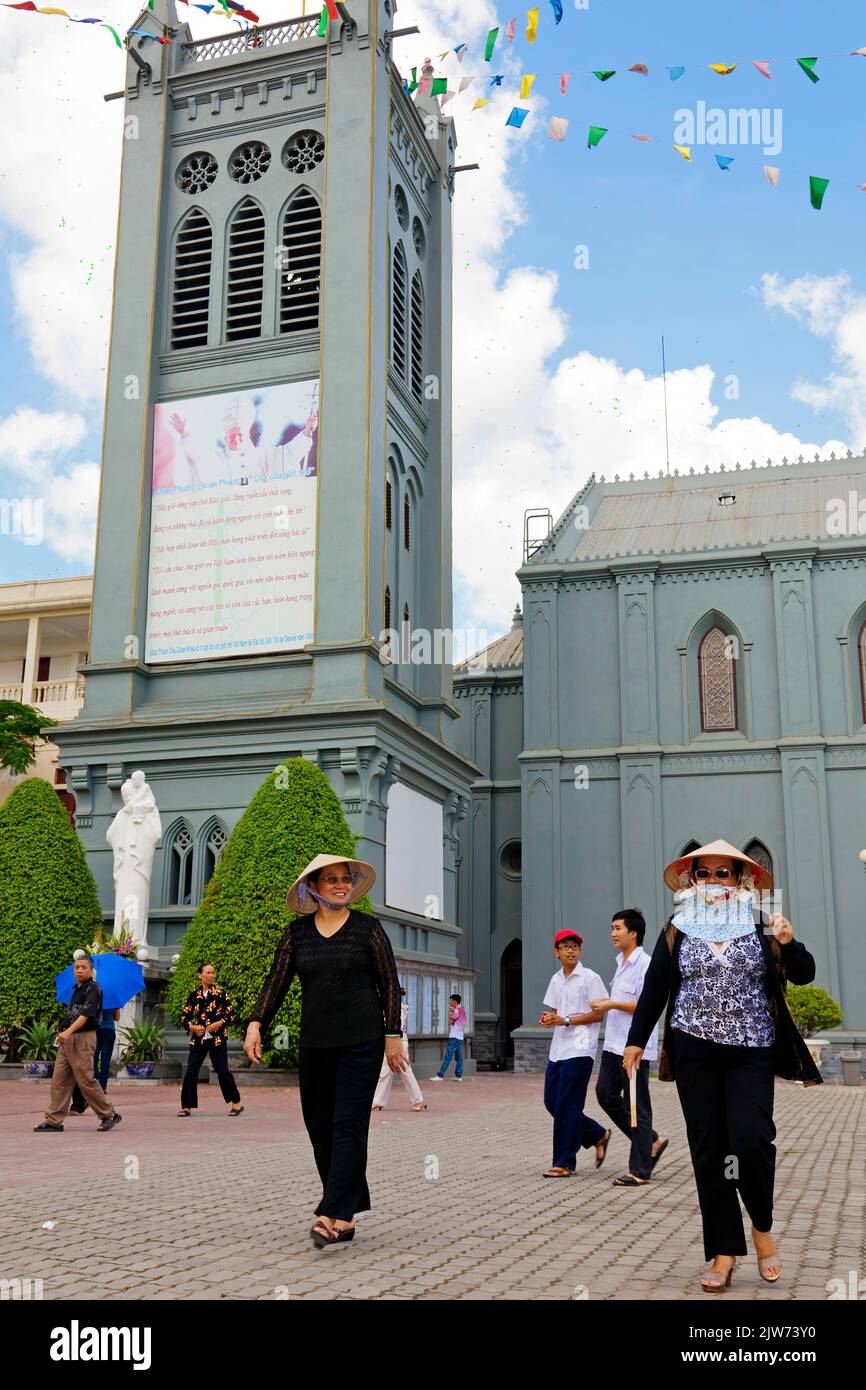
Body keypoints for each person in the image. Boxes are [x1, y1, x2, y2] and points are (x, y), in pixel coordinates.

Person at [623, 839, 822, 1292]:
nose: (713, 881)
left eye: (723, 873)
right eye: (704, 873)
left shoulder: (760, 924)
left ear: (741, 878)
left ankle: (763, 1228)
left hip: (750, 1050)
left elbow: (805, 972)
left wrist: (789, 945)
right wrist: (636, 1042)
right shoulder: (678, 927)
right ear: (693, 881)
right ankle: (724, 1251)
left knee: (751, 1143)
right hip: (695, 1052)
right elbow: (655, 987)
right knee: (709, 1151)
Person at [244, 854, 404, 1248]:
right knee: (319, 1127)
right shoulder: (297, 933)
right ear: (313, 888)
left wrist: (392, 1034)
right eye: (331, 879)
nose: (340, 884)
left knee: (348, 1124)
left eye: (345, 879)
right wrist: (255, 1023)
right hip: (315, 1043)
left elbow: (389, 983)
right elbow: (276, 981)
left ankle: (329, 1213)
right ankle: (347, 1216)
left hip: (361, 1042)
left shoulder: (368, 929)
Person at [591, 909, 668, 1187]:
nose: (613, 933)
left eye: (618, 928)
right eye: (612, 927)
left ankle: (640, 1170)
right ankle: (652, 1141)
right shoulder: (620, 963)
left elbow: (645, 1005)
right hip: (614, 1045)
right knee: (605, 1094)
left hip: (634, 1046)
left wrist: (610, 1004)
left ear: (633, 933)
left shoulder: (645, 965)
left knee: (635, 1106)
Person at [539, 930, 611, 1177]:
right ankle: (596, 1134)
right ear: (556, 952)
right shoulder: (556, 979)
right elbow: (556, 1012)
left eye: (575, 946)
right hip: (558, 1049)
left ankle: (564, 1163)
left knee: (568, 1105)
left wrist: (564, 1020)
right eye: (565, 946)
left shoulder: (590, 978)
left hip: (580, 1049)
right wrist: (550, 1019)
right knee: (552, 1102)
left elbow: (599, 1014)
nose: (570, 950)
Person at [33, 955, 122, 1133]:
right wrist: (63, 1032)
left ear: (91, 970)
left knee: (85, 1080)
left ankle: (109, 1114)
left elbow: (85, 1015)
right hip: (67, 1040)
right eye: (77, 967)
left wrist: (68, 1032)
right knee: (59, 1080)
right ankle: (53, 1121)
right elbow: (73, 1014)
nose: (79, 970)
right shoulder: (76, 989)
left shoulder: (94, 989)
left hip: (83, 1038)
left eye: (83, 967)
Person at [178, 963, 243, 1117]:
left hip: (217, 1039)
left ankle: (236, 1103)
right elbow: (184, 1015)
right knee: (191, 1070)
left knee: (222, 1070)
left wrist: (219, 1023)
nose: (211, 975)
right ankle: (187, 1106)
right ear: (199, 975)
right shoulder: (194, 994)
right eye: (207, 972)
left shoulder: (220, 993)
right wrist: (192, 1027)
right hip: (198, 1040)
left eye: (213, 972)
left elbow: (231, 1013)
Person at [372, 987, 426, 1112]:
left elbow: (398, 1028)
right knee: (387, 1071)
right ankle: (378, 1101)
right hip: (395, 1041)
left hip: (398, 1041)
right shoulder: (397, 1008)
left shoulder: (397, 1009)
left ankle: (418, 1100)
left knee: (404, 1069)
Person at [68, 1002, 121, 1116]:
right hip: (109, 1030)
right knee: (106, 1059)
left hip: (96, 1030)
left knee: (94, 1058)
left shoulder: (95, 999)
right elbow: (117, 1018)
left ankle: (95, 1082)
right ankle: (102, 1086)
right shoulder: (114, 1000)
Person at [431, 994, 466, 1080]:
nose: (450, 1002)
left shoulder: (456, 1011)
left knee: (448, 1056)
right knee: (460, 1057)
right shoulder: (462, 1010)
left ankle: (440, 1075)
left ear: (455, 1001)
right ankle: (458, 1076)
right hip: (460, 1037)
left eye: (451, 1001)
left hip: (454, 1037)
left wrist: (451, 1012)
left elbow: (450, 1022)